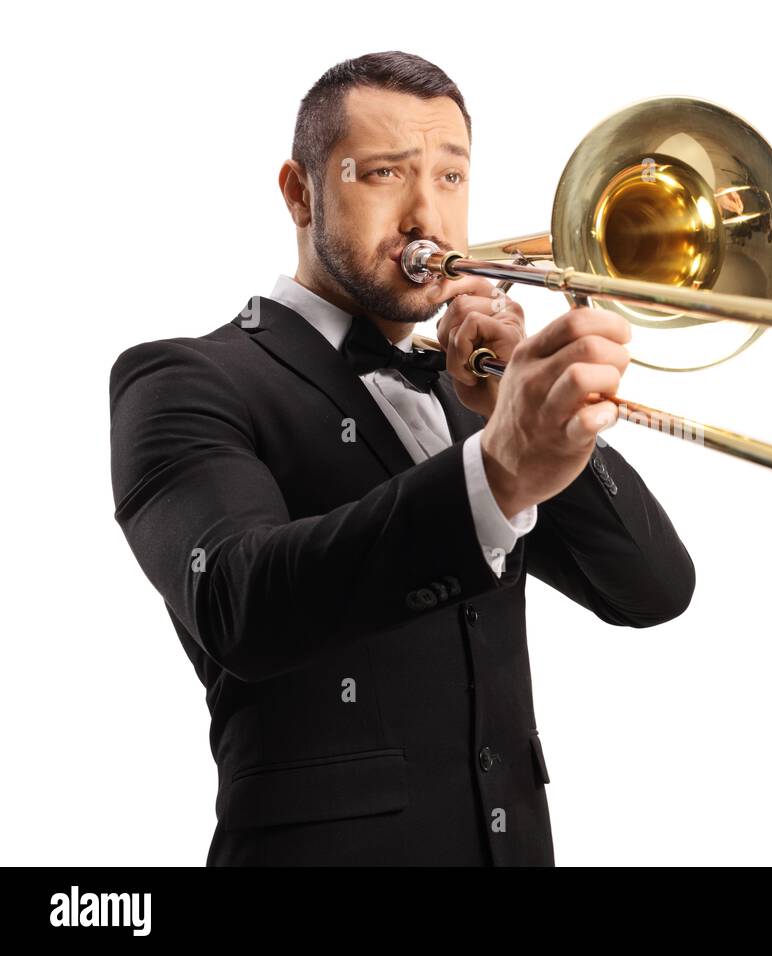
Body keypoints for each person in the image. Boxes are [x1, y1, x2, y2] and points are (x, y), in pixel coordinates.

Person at [108, 50, 695, 866]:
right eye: (384, 172)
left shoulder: (478, 398)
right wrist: (496, 470)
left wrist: (546, 422)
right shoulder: (182, 378)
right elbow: (239, 605)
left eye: (452, 179)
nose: (429, 216)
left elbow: (653, 590)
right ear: (300, 191)